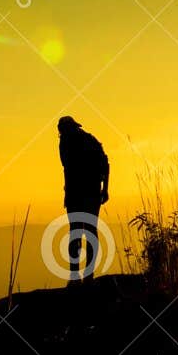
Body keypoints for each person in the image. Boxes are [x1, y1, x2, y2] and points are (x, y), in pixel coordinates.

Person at [57, 116, 109, 282]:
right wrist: (105, 189)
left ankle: (77, 276)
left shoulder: (66, 143)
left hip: (77, 193)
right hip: (90, 192)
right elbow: (106, 164)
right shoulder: (90, 140)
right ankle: (86, 275)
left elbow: (68, 168)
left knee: (77, 232)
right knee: (88, 232)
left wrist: (104, 189)